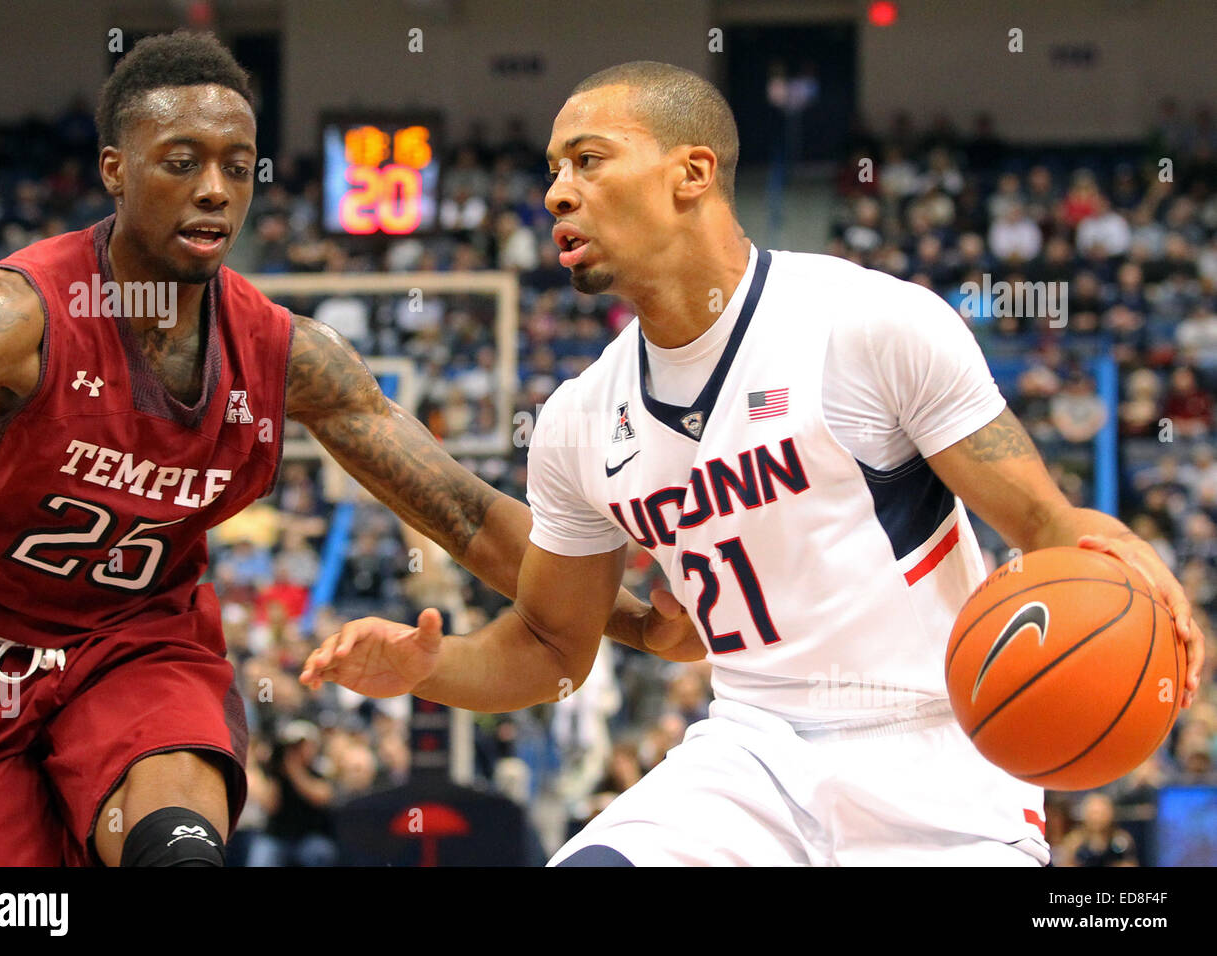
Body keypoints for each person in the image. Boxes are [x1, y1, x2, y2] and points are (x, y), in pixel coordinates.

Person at [303, 61, 1205, 866]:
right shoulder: (580, 420)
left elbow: (1047, 524)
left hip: (942, 759)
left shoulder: (868, 326)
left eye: (587, 160)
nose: (556, 194)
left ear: (691, 173)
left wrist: (1119, 556)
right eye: (552, 171)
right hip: (752, 756)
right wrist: (428, 669)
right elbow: (547, 648)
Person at [0, 34, 699, 868]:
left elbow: (467, 514)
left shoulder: (291, 353)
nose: (215, 190)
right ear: (114, 169)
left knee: (177, 855)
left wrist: (630, 623)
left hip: (137, 648)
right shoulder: (15, 314)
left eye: (237, 164)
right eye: (181, 162)